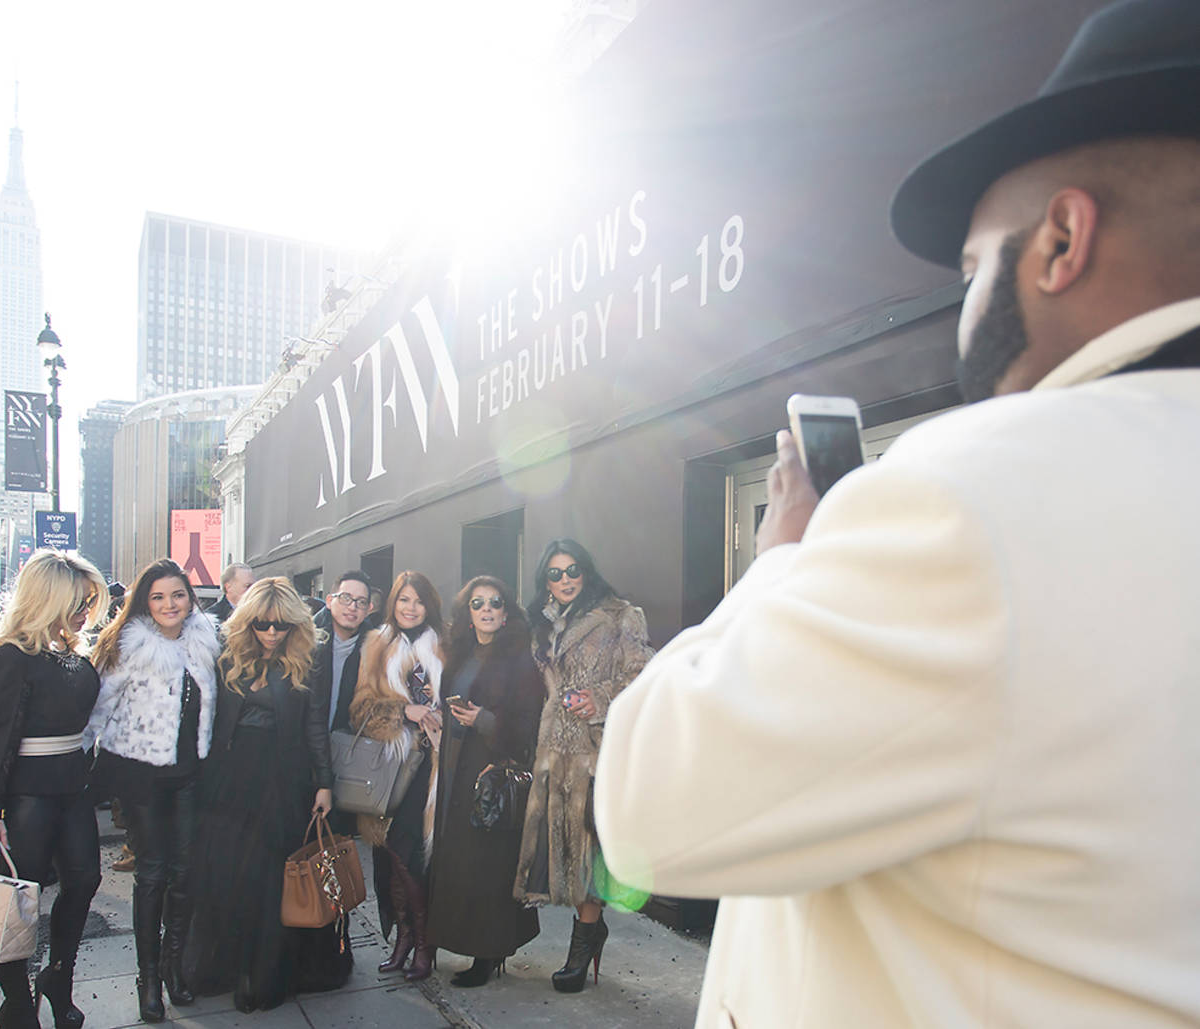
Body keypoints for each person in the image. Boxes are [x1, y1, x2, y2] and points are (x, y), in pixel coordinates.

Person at [596, 3, 1200, 1026]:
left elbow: (648, 815)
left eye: (971, 270)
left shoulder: (970, 493)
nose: (966, 306)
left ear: (1061, 240)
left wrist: (782, 558)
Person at [183, 578, 350, 1011]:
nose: (272, 634)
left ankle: (264, 974)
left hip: (282, 781)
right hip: (228, 780)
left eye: (281, 627)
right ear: (247, 623)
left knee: (271, 880)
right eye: (262, 625)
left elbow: (316, 727)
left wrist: (324, 783)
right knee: (225, 876)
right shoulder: (226, 657)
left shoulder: (306, 661)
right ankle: (225, 966)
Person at [0, 550, 109, 1029]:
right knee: (18, 901)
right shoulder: (10, 657)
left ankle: (58, 979)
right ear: (47, 598)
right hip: (26, 795)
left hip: (73, 788)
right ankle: (15, 1000)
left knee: (84, 882)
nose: (85, 610)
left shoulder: (73, 653)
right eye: (77, 601)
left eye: (89, 601)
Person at [512, 539, 652, 993]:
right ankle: (591, 933)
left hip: (598, 746)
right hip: (556, 748)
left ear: (586, 571)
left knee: (590, 847)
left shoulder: (620, 615)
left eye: (573, 570)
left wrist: (601, 698)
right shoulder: (543, 623)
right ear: (544, 581)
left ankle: (583, 941)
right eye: (555, 573)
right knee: (566, 847)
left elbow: (642, 674)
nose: (566, 579)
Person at [88, 558, 219, 1023]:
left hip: (190, 774)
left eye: (178, 594)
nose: (170, 604)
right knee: (153, 874)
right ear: (146, 601)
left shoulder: (206, 641)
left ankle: (173, 967)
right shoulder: (128, 646)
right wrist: (81, 766)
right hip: (141, 778)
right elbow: (99, 711)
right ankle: (148, 978)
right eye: (159, 596)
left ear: (190, 597)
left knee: (185, 874)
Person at [427, 576, 542, 987]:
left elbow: (530, 721)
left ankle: (489, 952)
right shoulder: (461, 653)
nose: (487, 609)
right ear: (469, 612)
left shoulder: (519, 658)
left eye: (495, 602)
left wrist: (486, 721)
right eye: (478, 603)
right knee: (460, 861)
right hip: (458, 768)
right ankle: (461, 941)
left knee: (489, 864)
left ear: (506, 611)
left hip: (493, 770)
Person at [349, 571, 445, 981]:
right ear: (392, 603)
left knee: (413, 857)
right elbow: (359, 707)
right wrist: (404, 711)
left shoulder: (445, 647)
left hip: (433, 766)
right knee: (393, 857)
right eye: (404, 600)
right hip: (390, 767)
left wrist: (445, 715)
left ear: (429, 606)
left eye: (418, 601)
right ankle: (407, 938)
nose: (410, 608)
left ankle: (422, 944)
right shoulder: (376, 644)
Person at [307, 570, 374, 837]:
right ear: (330, 599)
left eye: (360, 602)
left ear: (369, 608)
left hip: (346, 758)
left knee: (334, 846)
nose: (352, 607)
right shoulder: (305, 639)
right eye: (346, 598)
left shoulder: (375, 646)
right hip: (301, 755)